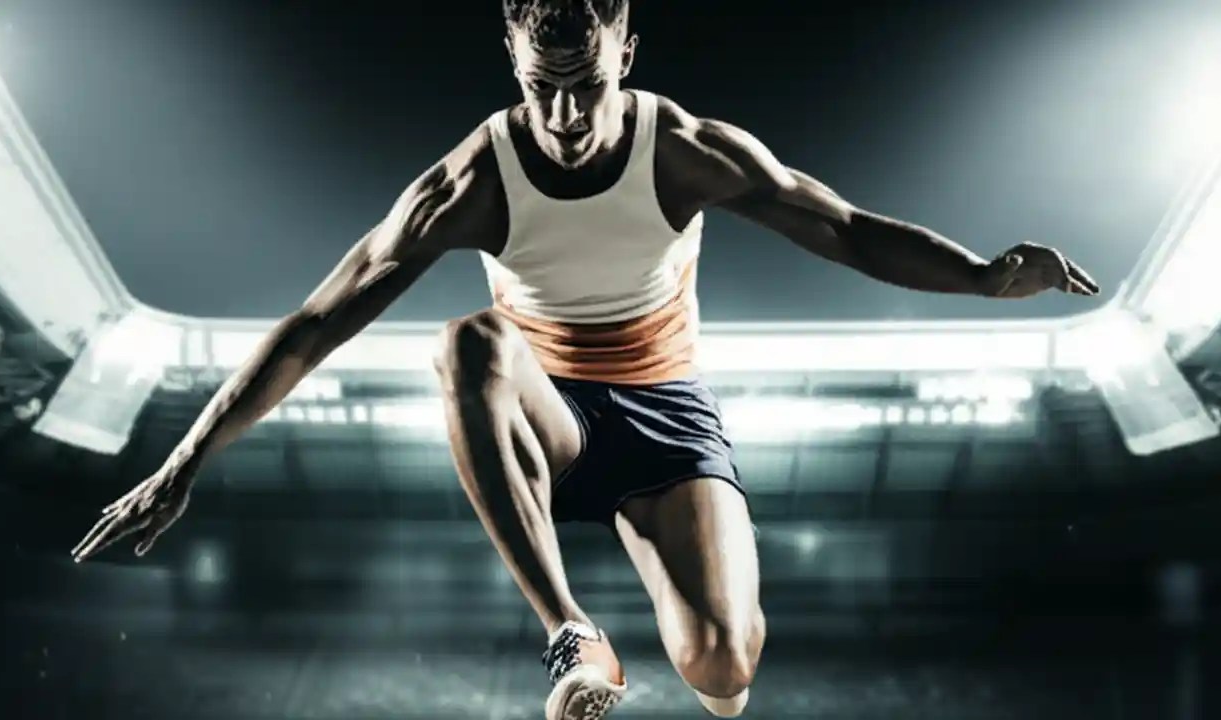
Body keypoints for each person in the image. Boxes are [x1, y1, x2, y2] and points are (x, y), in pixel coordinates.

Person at [71, 0, 1101, 717]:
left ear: (628, 55)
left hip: (666, 415)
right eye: (540, 89)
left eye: (587, 87)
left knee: (723, 670)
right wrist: (185, 460)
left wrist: (978, 276)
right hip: (545, 416)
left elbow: (840, 229)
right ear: (513, 70)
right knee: (466, 341)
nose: (563, 119)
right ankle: (570, 630)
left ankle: (653, 554)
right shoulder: (469, 180)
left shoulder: (688, 148)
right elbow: (315, 321)